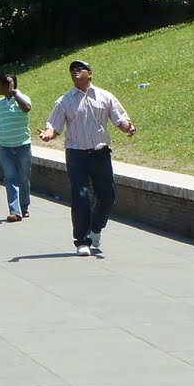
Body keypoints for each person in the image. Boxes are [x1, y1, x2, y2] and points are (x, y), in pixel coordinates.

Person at [39, 59, 135, 257]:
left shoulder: (104, 96)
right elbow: (54, 126)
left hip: (100, 153)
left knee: (108, 196)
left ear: (89, 73)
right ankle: (82, 240)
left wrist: (128, 127)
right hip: (76, 154)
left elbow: (120, 118)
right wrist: (48, 134)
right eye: (72, 71)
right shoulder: (65, 100)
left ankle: (96, 228)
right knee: (80, 196)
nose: (75, 73)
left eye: (79, 70)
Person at [0, 73, 33, 221]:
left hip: (23, 145)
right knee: (10, 177)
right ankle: (15, 211)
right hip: (5, 147)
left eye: (0, 84)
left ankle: (24, 206)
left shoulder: (23, 99)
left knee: (24, 177)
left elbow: (27, 108)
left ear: (9, 85)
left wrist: (14, 93)